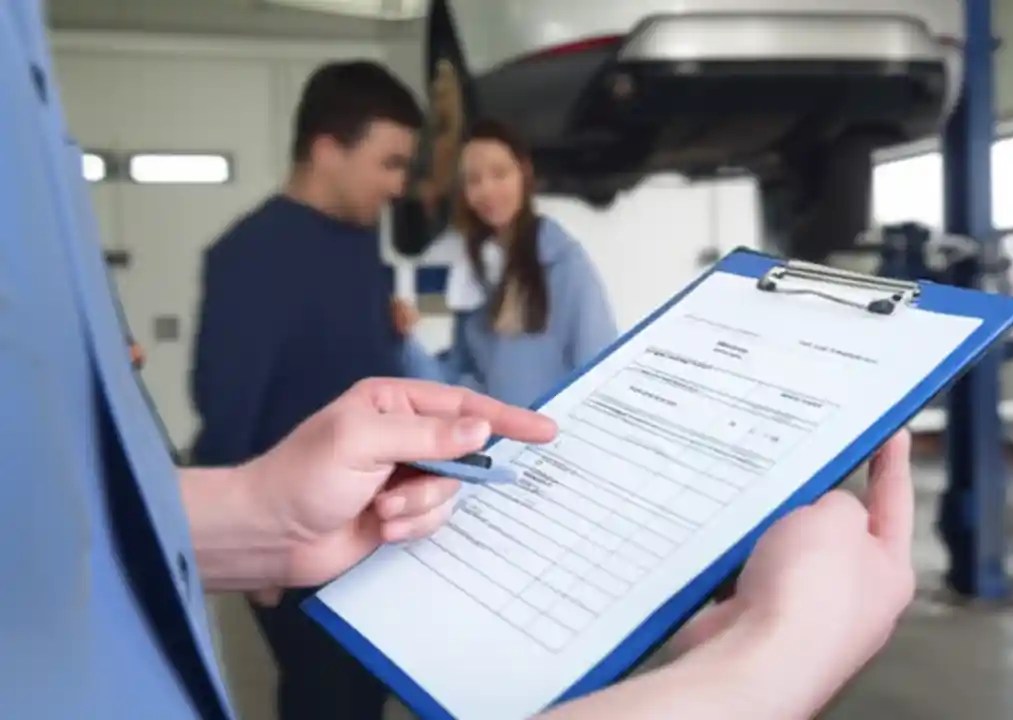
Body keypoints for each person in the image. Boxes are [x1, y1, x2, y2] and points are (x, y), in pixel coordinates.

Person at [1, 4, 916, 719]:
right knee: (340, 694)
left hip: (479, 481)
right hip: (414, 496)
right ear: (329, 146)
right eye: (414, 167)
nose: (420, 188)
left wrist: (245, 522)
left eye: (476, 173)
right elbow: (405, 372)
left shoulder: (527, 250)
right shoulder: (281, 255)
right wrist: (774, 658)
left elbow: (586, 364)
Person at [188, 60, 427, 719]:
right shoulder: (250, 256)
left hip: (374, 533)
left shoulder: (360, 246)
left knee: (363, 694)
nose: (398, 184)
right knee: (325, 701)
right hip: (299, 537)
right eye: (389, 162)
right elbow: (226, 411)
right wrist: (247, 548)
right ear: (328, 149)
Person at [431, 119, 619, 408]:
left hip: (552, 442)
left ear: (524, 172)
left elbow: (598, 362)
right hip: (494, 445)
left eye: (499, 173)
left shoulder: (563, 261)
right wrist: (405, 341)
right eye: (473, 180)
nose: (488, 190)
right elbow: (461, 374)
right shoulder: (472, 271)